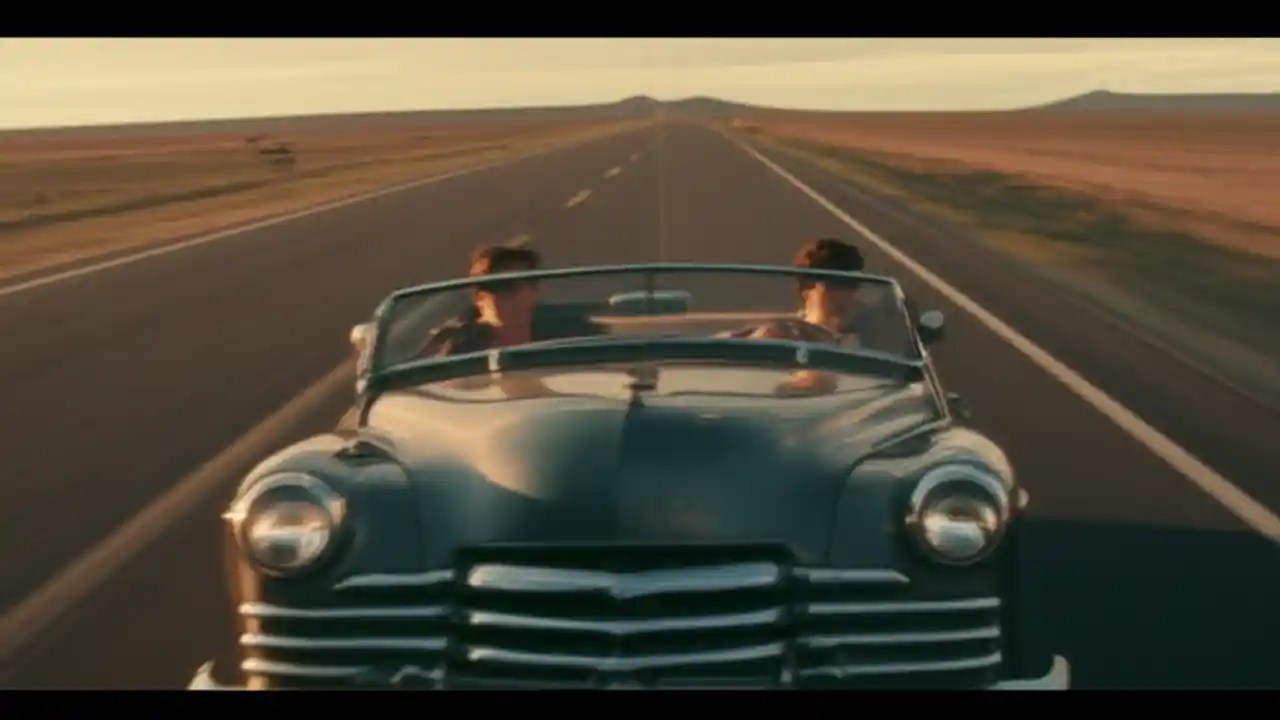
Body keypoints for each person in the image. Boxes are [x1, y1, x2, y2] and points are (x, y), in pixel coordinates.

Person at [417, 243, 541, 357]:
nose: (494, 296)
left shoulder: (555, 330)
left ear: (533, 289)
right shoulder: (460, 345)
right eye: (485, 287)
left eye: (507, 285)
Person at [742, 237, 867, 343]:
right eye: (833, 286)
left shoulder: (864, 340)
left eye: (852, 285)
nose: (843, 296)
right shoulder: (781, 335)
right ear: (806, 289)